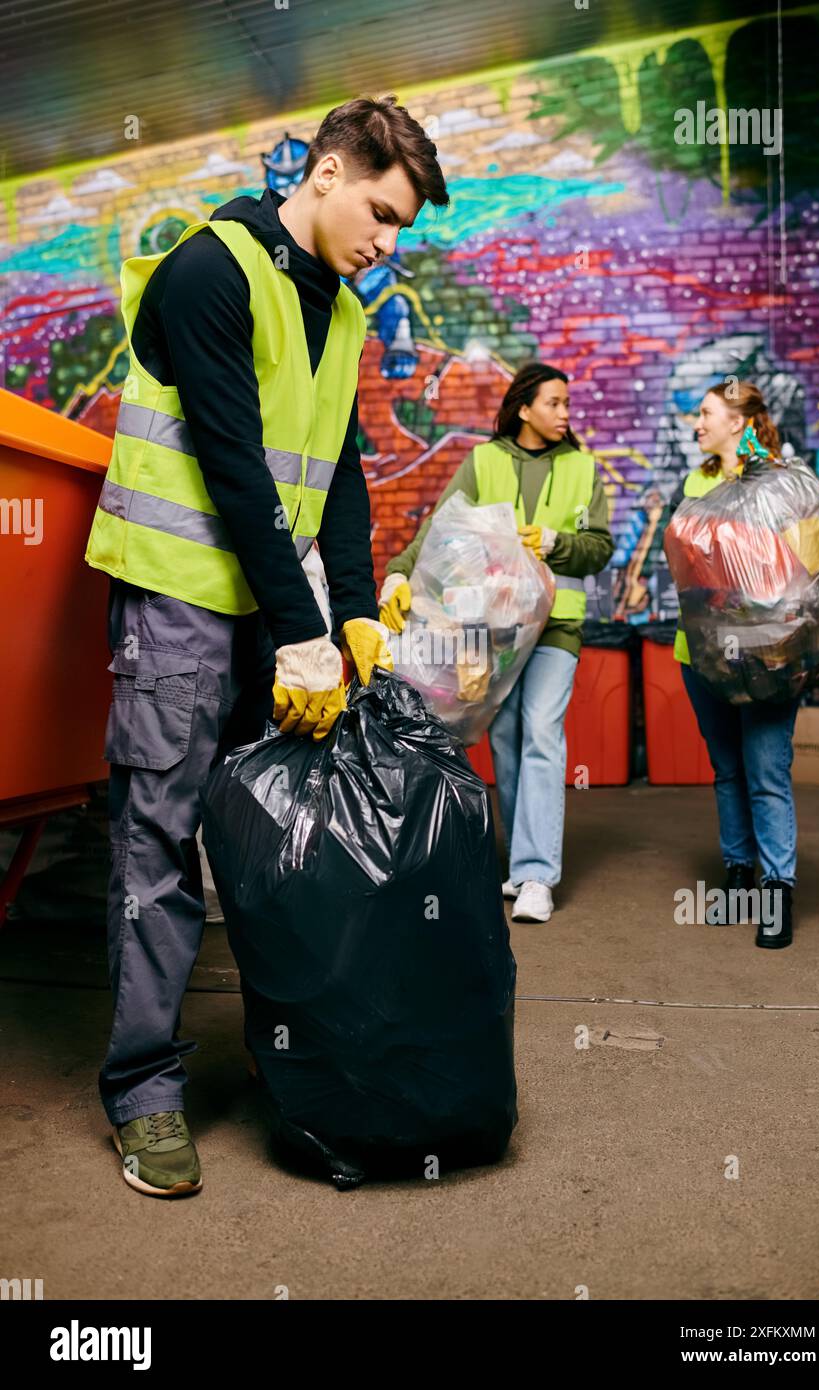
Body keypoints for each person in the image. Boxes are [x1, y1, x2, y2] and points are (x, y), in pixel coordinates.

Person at [83, 95, 449, 1196]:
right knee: (159, 845)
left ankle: (295, 1072)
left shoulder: (339, 310)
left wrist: (351, 617)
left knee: (276, 845)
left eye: (401, 229)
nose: (386, 242)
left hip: (273, 618)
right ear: (328, 172)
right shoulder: (210, 269)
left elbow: (331, 476)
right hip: (181, 604)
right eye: (381, 213)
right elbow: (237, 468)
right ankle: (144, 1093)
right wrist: (302, 636)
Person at [379, 363, 613, 923]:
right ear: (525, 407)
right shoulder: (484, 461)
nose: (565, 414)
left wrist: (558, 542)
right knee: (505, 738)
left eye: (567, 404)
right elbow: (441, 527)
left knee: (540, 732)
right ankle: (518, 863)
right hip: (492, 629)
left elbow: (599, 549)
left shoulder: (582, 469)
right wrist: (398, 572)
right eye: (554, 403)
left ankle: (536, 874)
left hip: (556, 624)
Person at [667, 381, 800, 949]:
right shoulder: (697, 482)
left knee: (767, 773)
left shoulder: (779, 482)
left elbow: (803, 564)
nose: (697, 423)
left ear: (739, 421)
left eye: (706, 414)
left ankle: (777, 890)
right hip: (699, 652)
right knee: (727, 770)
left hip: (767, 652)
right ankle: (740, 875)